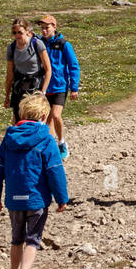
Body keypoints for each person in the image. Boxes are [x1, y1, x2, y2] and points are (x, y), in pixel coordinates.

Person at [0, 92, 68, 269]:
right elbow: (54, 170)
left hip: (14, 200)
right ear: (44, 117)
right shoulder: (47, 140)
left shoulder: (8, 139)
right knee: (32, 240)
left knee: (16, 239)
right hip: (36, 200)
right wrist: (62, 198)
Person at [37, 14, 80, 161]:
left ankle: (62, 143)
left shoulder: (63, 44)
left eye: (47, 28)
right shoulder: (38, 43)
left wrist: (74, 88)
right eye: (42, 28)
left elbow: (74, 66)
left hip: (60, 86)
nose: (44, 31)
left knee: (55, 115)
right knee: (46, 120)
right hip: (44, 87)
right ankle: (50, 148)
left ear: (54, 27)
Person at [5, 18, 51, 122]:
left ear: (27, 31)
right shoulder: (11, 48)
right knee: (18, 118)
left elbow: (48, 70)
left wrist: (42, 92)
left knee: (36, 118)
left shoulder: (37, 44)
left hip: (36, 87)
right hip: (19, 88)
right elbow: (9, 74)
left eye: (20, 32)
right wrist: (7, 95)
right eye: (14, 33)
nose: (17, 35)